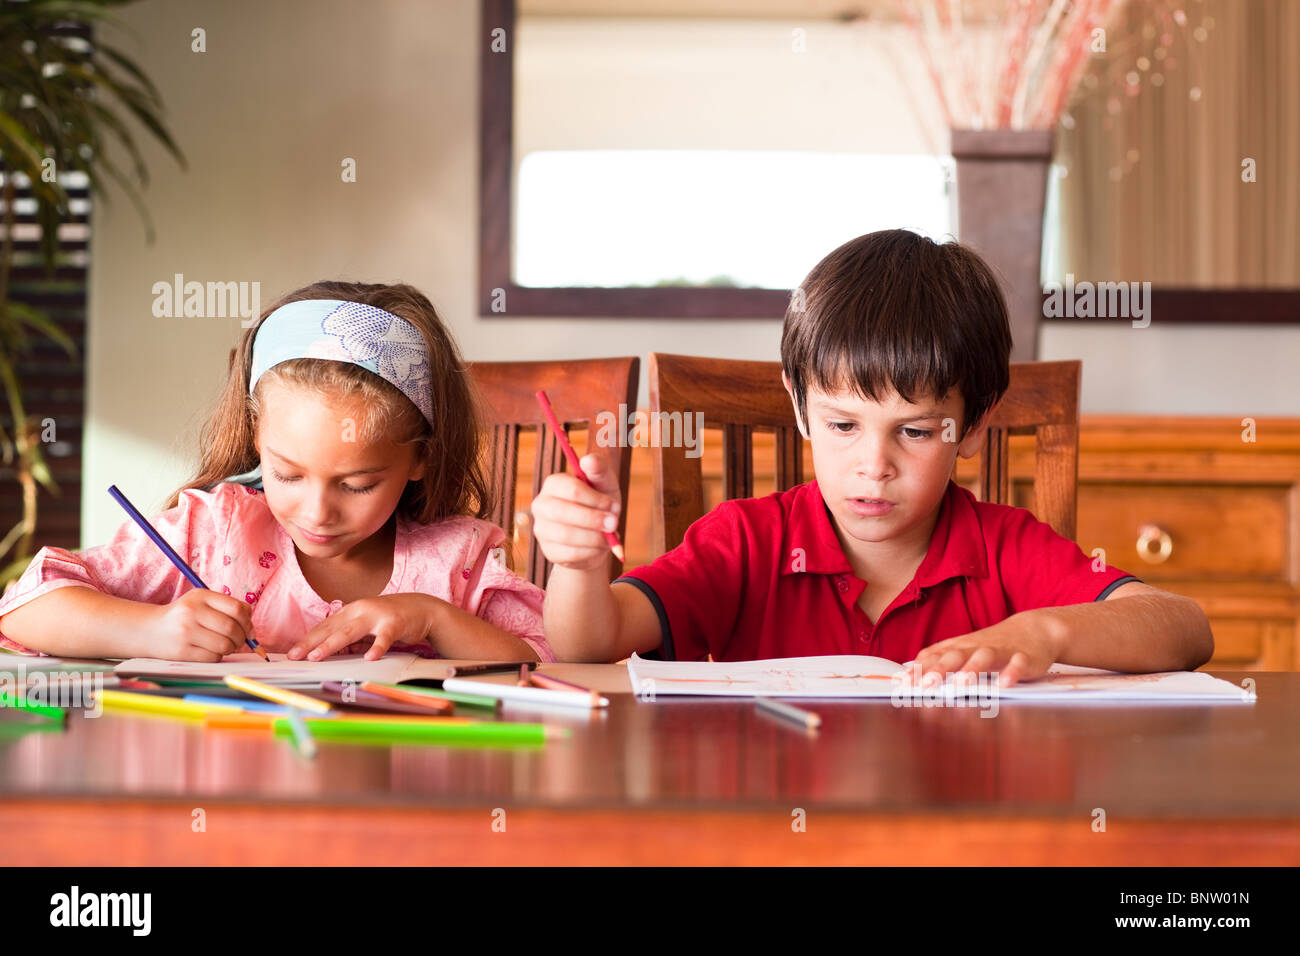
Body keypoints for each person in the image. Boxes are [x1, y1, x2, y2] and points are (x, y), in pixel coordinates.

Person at [531, 230, 1212, 685]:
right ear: (801, 408)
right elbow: (592, 642)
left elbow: (1185, 629)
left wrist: (1044, 632)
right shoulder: (746, 542)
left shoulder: (1004, 549)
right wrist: (578, 566)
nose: (873, 464)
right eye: (842, 424)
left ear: (973, 427)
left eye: (915, 432)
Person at [0, 281, 551, 663]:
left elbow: (553, 660)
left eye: (357, 484)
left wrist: (434, 619)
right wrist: (151, 630)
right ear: (256, 437)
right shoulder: (213, 532)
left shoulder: (458, 560)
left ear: (421, 458)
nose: (317, 512)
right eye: (287, 474)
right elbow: (27, 605)